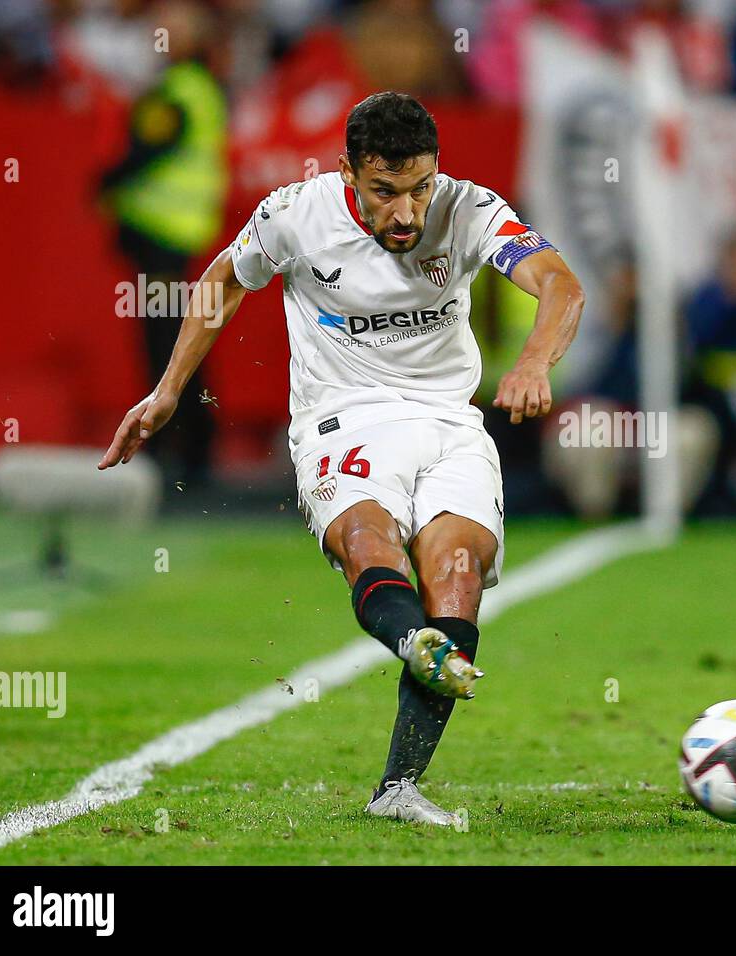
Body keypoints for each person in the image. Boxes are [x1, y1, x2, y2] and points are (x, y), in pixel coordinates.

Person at [98, 92, 585, 826]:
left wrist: (535, 361)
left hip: (450, 420)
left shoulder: (470, 208)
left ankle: (398, 788)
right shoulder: (297, 214)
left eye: (419, 188)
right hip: (343, 418)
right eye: (385, 192)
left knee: (458, 574)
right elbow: (223, 281)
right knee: (369, 542)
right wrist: (168, 391)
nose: (407, 213)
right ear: (349, 173)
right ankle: (409, 638)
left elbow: (560, 283)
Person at [98, 0, 229, 488]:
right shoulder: (197, 89)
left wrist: (105, 183)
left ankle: (186, 452)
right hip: (173, 239)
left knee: (169, 344)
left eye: (169, 29)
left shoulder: (179, 91)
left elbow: (148, 149)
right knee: (175, 338)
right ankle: (188, 448)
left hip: (164, 240)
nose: (160, 35)